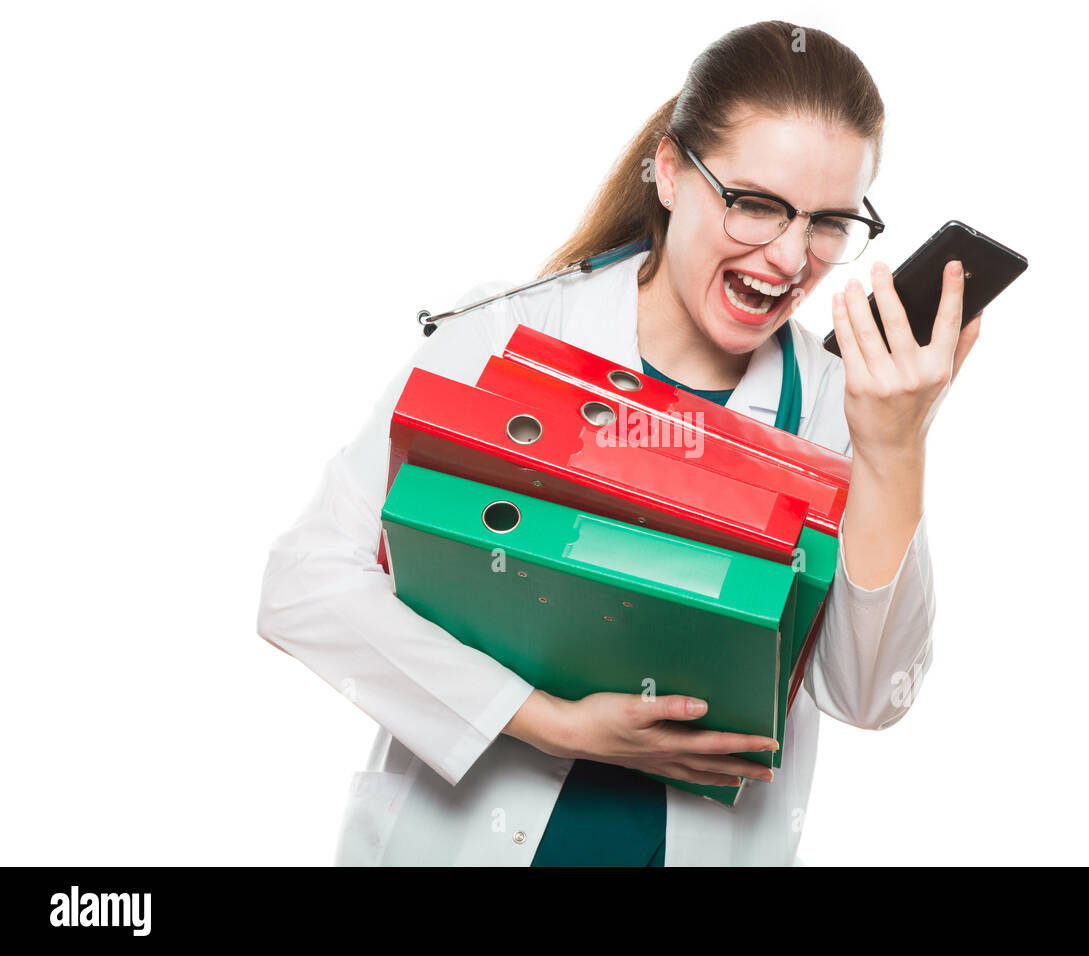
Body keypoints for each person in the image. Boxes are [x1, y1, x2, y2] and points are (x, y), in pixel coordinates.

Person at [256, 19, 982, 866]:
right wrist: (545, 719)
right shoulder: (507, 333)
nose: (788, 258)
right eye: (755, 203)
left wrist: (895, 449)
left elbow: (870, 696)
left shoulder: (840, 406)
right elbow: (303, 584)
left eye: (827, 221)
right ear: (670, 171)